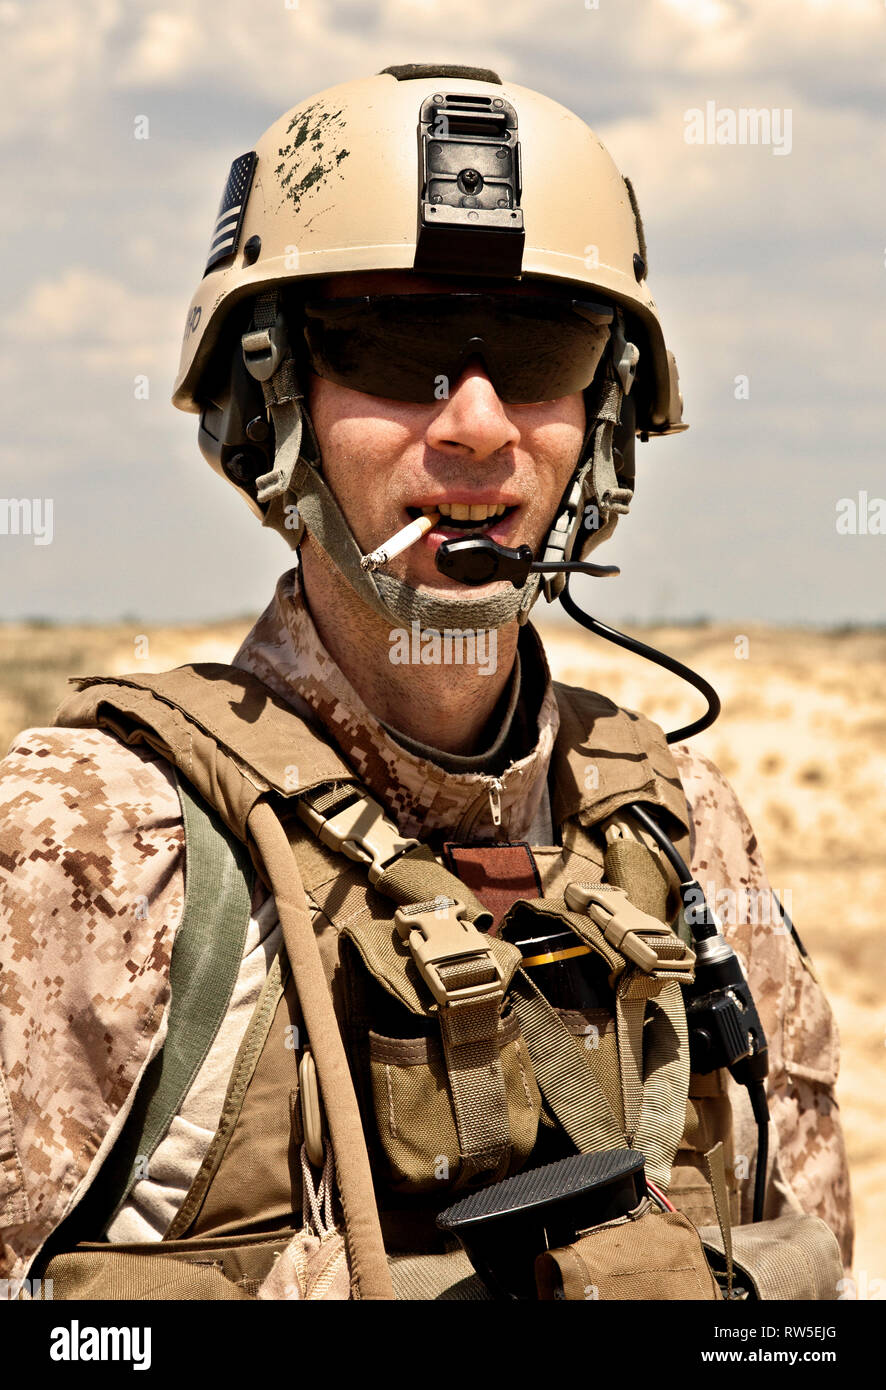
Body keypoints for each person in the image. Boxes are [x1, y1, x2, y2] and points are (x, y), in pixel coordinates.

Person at [0, 63, 852, 1301]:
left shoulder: (682, 827)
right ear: (269, 401)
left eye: (536, 345)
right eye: (396, 344)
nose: (476, 424)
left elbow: (801, 1262)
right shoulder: (88, 842)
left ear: (603, 418)